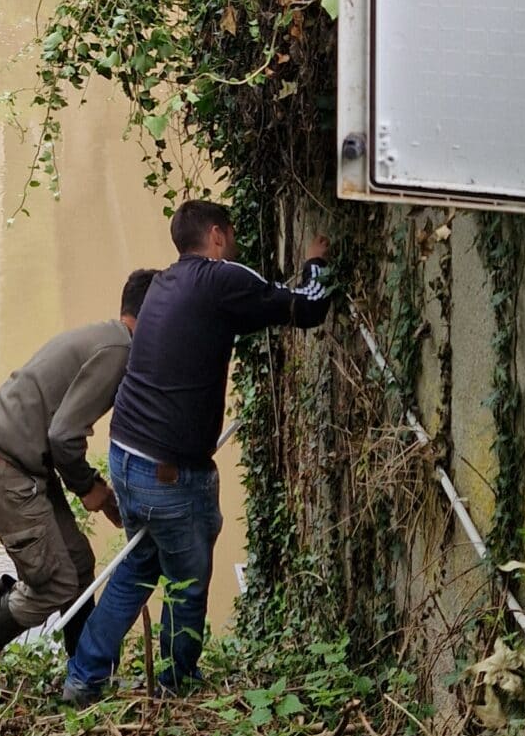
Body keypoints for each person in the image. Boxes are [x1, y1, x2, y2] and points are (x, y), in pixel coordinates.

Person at [62, 203, 332, 707]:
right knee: (187, 583)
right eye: (232, 235)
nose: (235, 245)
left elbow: (240, 316)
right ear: (216, 235)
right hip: (169, 474)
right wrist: (316, 263)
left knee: (140, 565)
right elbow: (308, 307)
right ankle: (174, 686)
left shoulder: (164, 285)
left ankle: (84, 677)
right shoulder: (221, 277)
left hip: (125, 456)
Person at [0, 268, 160, 698]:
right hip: (4, 468)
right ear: (153, 314)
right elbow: (63, 436)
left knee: (78, 563)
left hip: (21, 463)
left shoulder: (109, 339)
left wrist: (94, 487)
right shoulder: (120, 351)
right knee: (55, 583)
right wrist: (90, 488)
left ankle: (84, 672)